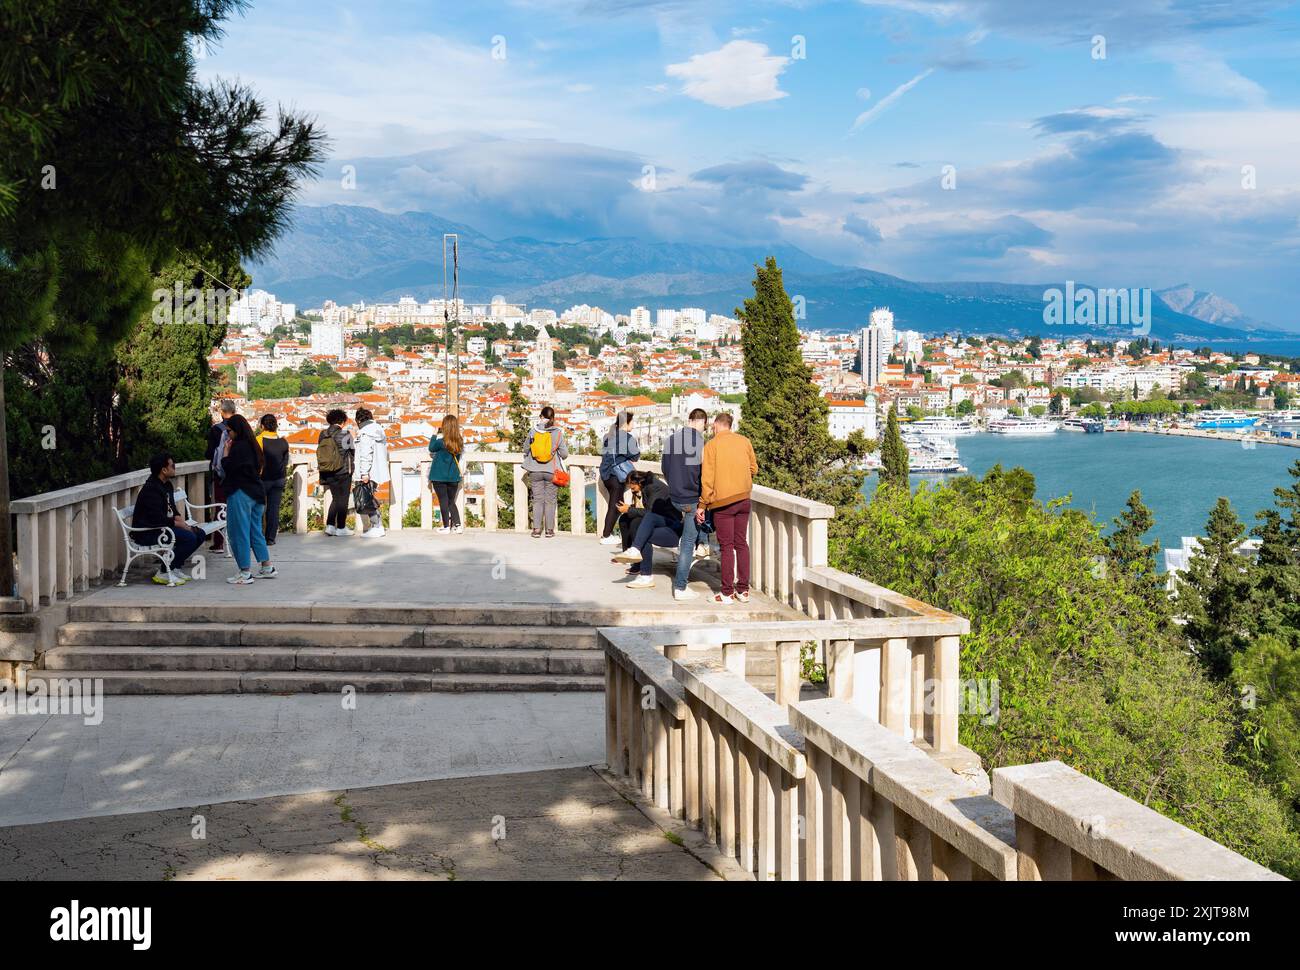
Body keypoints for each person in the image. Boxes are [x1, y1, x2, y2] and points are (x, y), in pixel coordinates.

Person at [698, 412, 757, 604]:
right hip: (744, 499)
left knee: (727, 547)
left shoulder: (711, 445)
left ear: (716, 425)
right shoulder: (744, 441)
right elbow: (753, 468)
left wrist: (702, 504)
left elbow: (707, 479)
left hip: (723, 503)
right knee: (741, 543)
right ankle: (743, 590)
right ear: (730, 425)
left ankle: (726, 592)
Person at [131, 453, 212, 585]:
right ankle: (164, 571)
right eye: (172, 465)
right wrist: (179, 525)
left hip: (162, 528)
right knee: (189, 538)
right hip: (148, 532)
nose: (175, 467)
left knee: (199, 534)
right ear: (163, 470)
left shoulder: (166, 485)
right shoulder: (151, 489)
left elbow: (172, 508)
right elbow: (155, 518)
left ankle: (174, 567)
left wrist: (183, 522)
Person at [660, 408, 710, 600]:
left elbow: (665, 467)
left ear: (689, 420)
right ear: (702, 422)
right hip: (691, 498)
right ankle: (680, 586)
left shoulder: (671, 439)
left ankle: (702, 542)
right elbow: (703, 473)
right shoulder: (699, 442)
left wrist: (674, 484)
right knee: (688, 543)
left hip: (675, 497)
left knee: (688, 537)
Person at [222, 414, 277, 584]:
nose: (228, 433)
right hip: (257, 493)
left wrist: (225, 454)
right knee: (255, 531)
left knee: (239, 532)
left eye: (229, 430)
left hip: (241, 493)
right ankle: (266, 566)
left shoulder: (238, 448)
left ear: (236, 430)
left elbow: (229, 468)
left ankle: (244, 572)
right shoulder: (253, 445)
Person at [612, 470, 684, 589]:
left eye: (631, 484)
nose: (630, 488)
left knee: (639, 525)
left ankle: (640, 564)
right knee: (625, 520)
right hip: (659, 521)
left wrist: (629, 509)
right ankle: (633, 558)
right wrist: (629, 510)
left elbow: (650, 512)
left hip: (672, 526)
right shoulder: (646, 487)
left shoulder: (655, 488)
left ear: (639, 481)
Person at [521, 405, 568, 538]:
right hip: (551, 471)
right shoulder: (557, 433)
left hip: (535, 470)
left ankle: (536, 530)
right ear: (553, 418)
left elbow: (525, 448)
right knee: (550, 501)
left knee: (537, 500)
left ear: (541, 416)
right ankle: (549, 530)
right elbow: (564, 454)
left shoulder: (533, 431)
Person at [598, 411, 639, 545]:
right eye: (632, 422)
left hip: (605, 475)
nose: (633, 425)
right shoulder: (627, 438)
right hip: (616, 476)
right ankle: (606, 535)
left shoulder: (608, 436)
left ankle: (616, 534)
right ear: (626, 423)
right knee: (614, 506)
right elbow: (636, 456)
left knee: (618, 504)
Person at [204, 399, 238, 552]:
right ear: (234, 411)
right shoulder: (241, 428)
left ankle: (219, 543)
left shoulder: (216, 430)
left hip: (221, 475)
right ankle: (237, 541)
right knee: (237, 507)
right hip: (238, 474)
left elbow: (210, 453)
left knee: (220, 506)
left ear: (222, 412)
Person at [354, 407, 390, 538]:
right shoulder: (378, 429)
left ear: (358, 420)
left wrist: (364, 473)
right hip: (377, 471)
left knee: (366, 500)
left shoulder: (365, 433)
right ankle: (377, 526)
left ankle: (377, 526)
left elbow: (365, 454)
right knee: (369, 498)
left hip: (367, 472)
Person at [317, 409, 354, 536]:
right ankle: (341, 527)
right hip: (343, 470)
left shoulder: (323, 434)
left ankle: (330, 525)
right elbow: (352, 451)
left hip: (327, 471)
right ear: (343, 421)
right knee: (343, 499)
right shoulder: (345, 434)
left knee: (336, 498)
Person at [257, 414, 290, 546]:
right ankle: (270, 538)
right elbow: (286, 461)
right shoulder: (283, 442)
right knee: (273, 509)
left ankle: (258, 536)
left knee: (258, 508)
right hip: (279, 479)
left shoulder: (258, 440)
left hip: (263, 479)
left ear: (262, 426)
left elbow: (256, 461)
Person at [428, 413, 464, 534]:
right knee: (451, 501)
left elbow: (431, 448)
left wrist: (434, 434)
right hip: (453, 477)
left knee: (443, 501)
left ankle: (446, 527)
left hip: (439, 476)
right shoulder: (459, 442)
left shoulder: (441, 442)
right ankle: (458, 525)